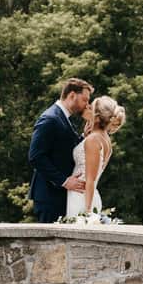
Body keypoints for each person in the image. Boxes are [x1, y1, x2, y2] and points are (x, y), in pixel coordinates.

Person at [27, 78, 92, 223]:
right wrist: (63, 181)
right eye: (85, 100)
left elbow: (64, 149)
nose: (87, 105)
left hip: (59, 196)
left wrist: (83, 137)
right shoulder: (49, 118)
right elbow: (35, 156)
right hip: (49, 196)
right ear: (72, 95)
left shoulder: (63, 118)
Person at [66, 95, 125, 218]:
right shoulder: (104, 139)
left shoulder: (93, 140)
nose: (88, 108)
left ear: (97, 118)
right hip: (85, 196)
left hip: (81, 198)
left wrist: (87, 212)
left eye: (91, 109)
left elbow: (91, 180)